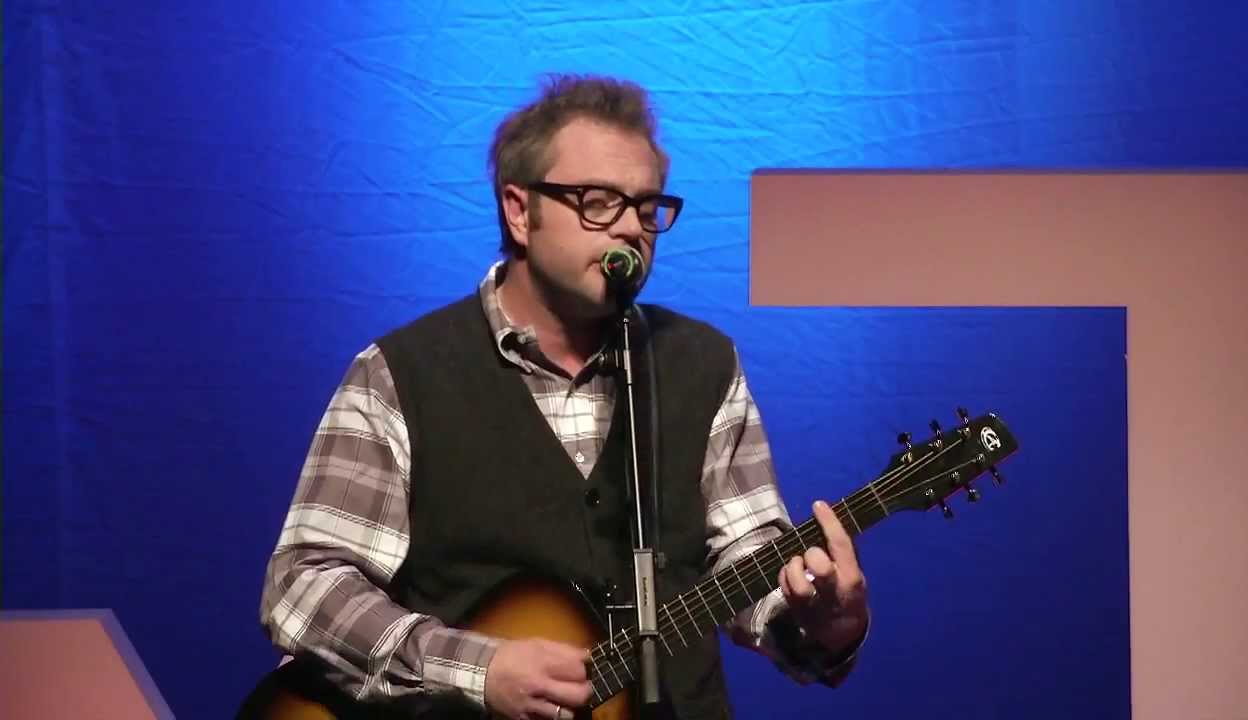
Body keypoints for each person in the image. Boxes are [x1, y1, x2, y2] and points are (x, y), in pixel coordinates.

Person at [255, 74, 869, 720]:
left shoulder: (705, 365)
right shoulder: (397, 376)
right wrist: (475, 667)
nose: (631, 229)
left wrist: (821, 621)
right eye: (599, 202)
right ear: (520, 211)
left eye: (647, 208)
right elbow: (304, 590)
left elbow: (747, 563)